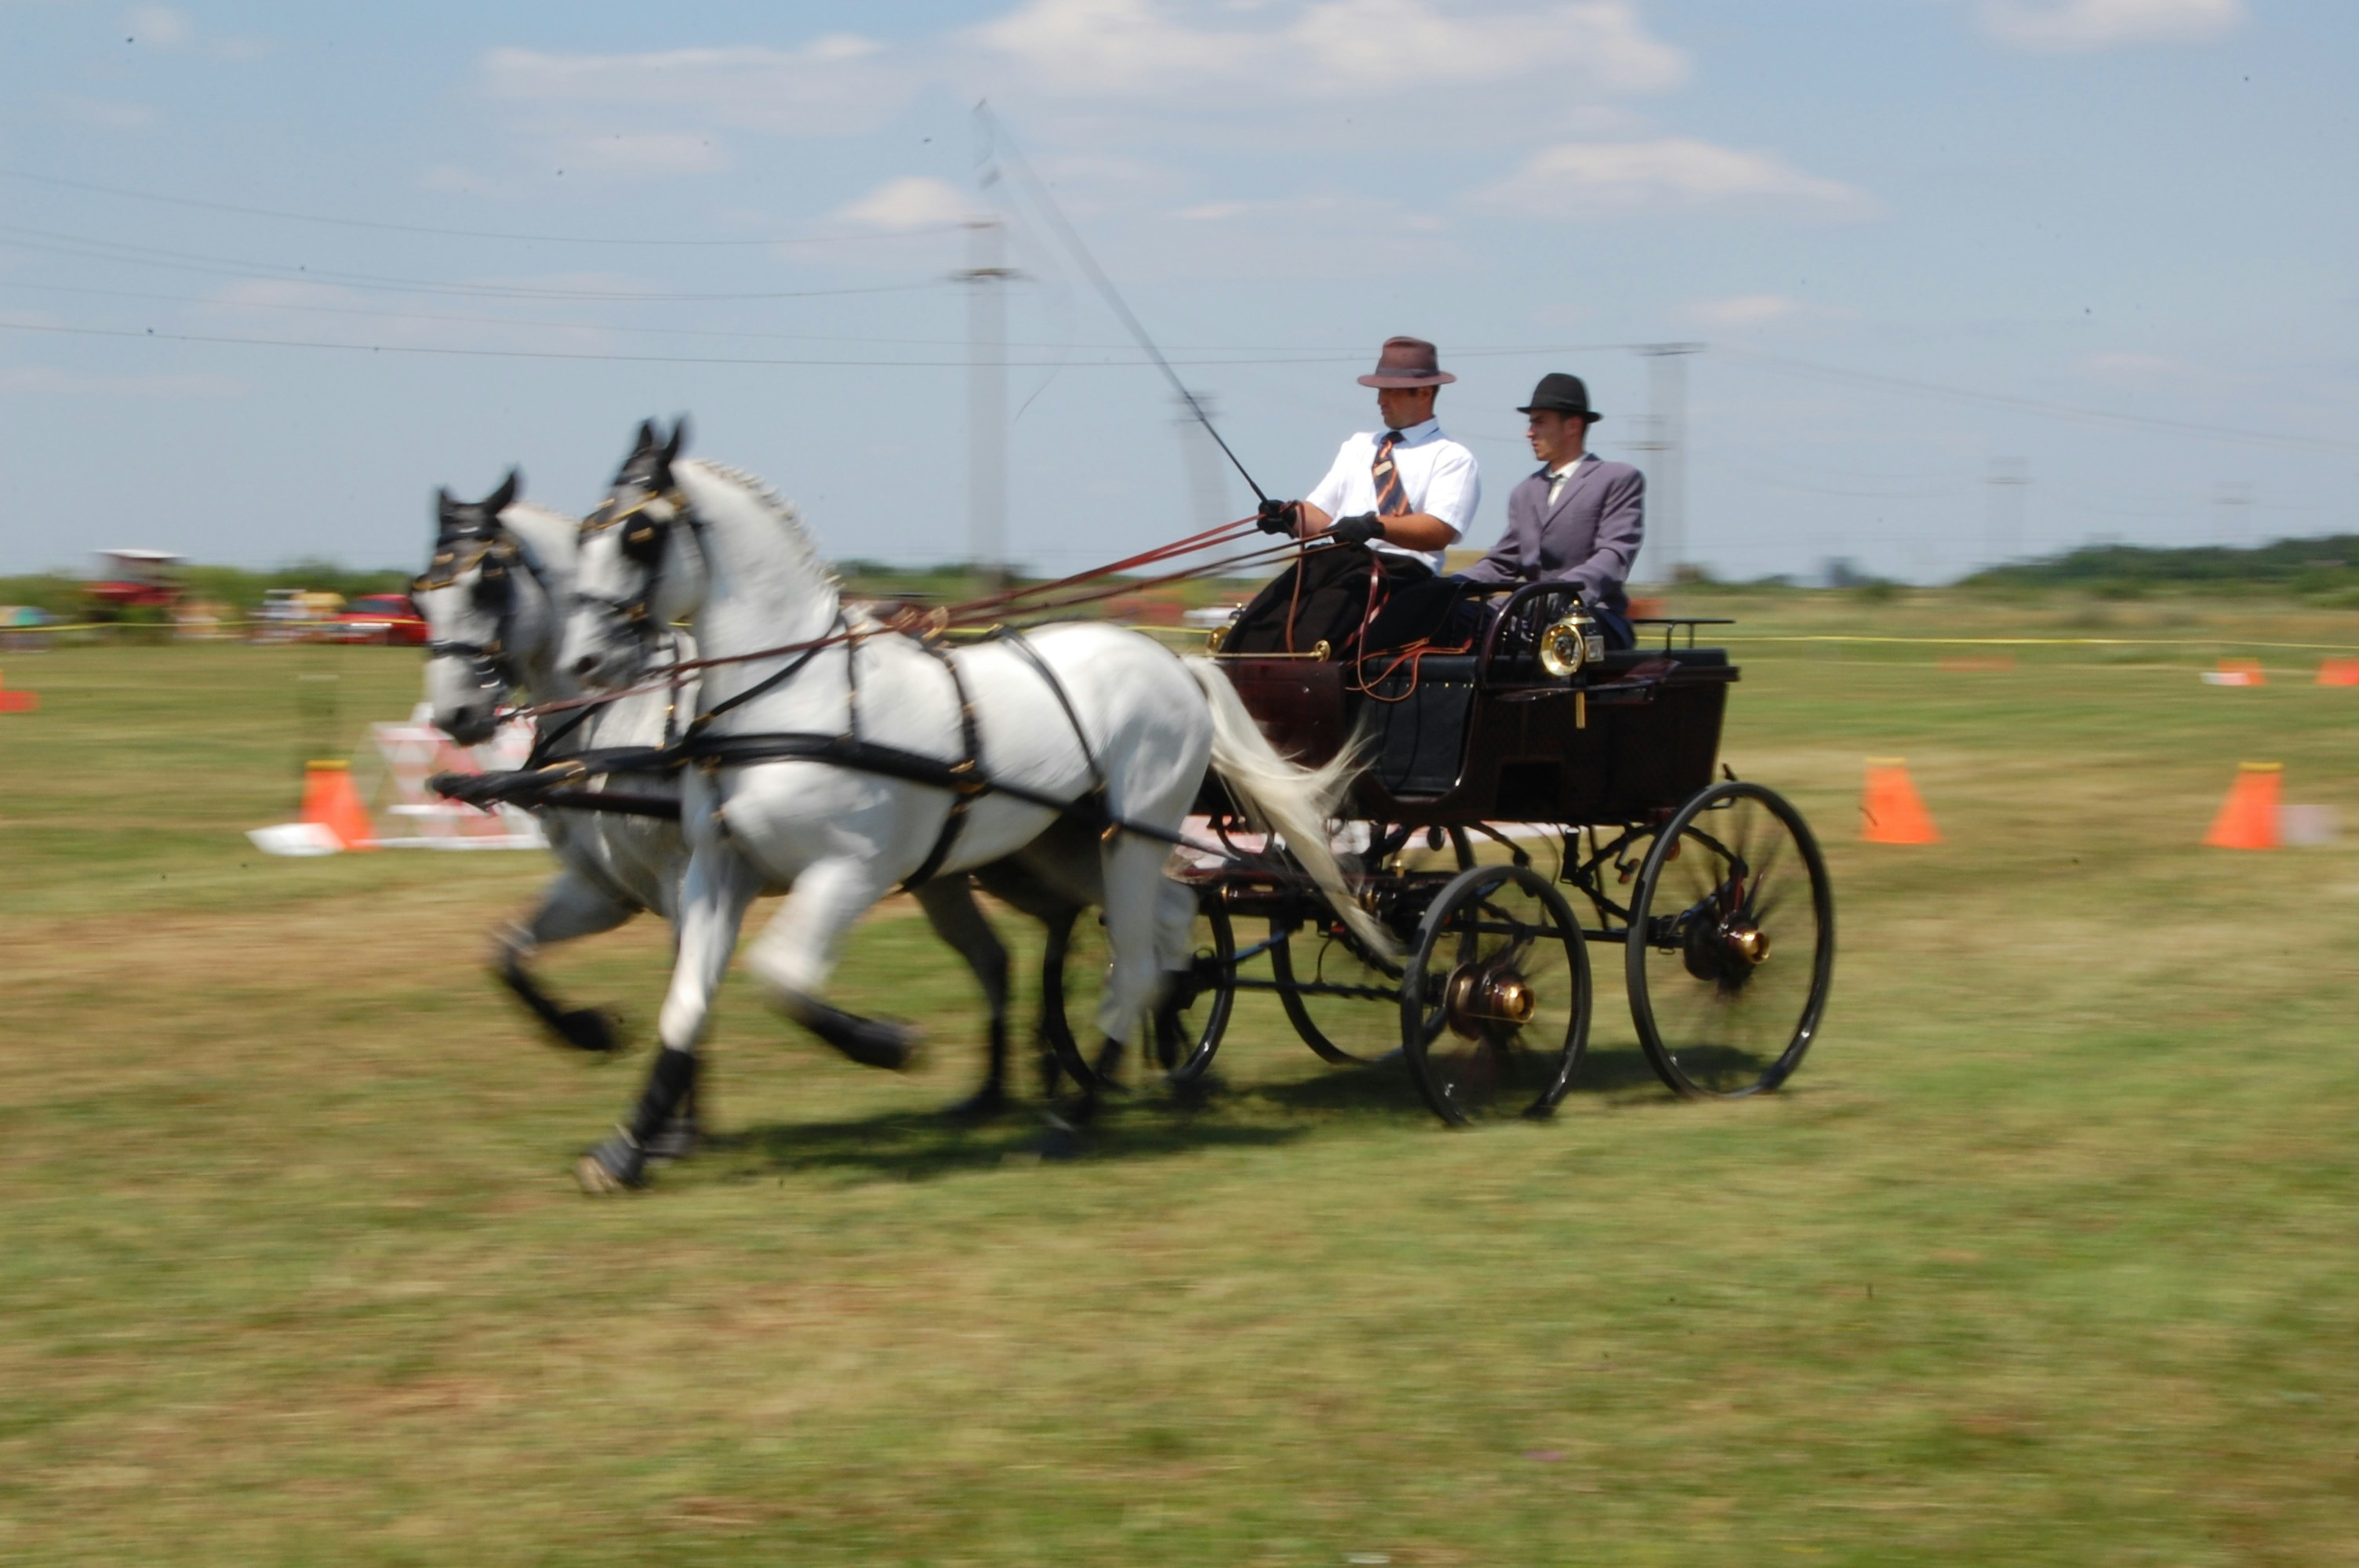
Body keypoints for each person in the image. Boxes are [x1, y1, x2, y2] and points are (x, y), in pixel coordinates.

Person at [1223, 336, 1480, 655]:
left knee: (1313, 636)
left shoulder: (1451, 457)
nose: (1380, 401)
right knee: (1255, 626)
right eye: (1379, 391)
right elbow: (1321, 518)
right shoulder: (1360, 446)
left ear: (1424, 392)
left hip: (1402, 575)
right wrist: (1289, 515)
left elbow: (1439, 531)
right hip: (1339, 565)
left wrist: (1376, 526)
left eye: (1391, 392)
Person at [1453, 372, 1644, 648]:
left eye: (1539, 422)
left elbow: (1614, 556)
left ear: (1573, 426)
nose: (1529, 432)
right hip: (1529, 615)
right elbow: (1501, 563)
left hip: (1593, 616)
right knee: (1457, 619)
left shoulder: (1617, 479)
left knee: (1557, 624)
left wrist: (1563, 593)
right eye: (1531, 422)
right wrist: (1450, 586)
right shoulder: (1525, 492)